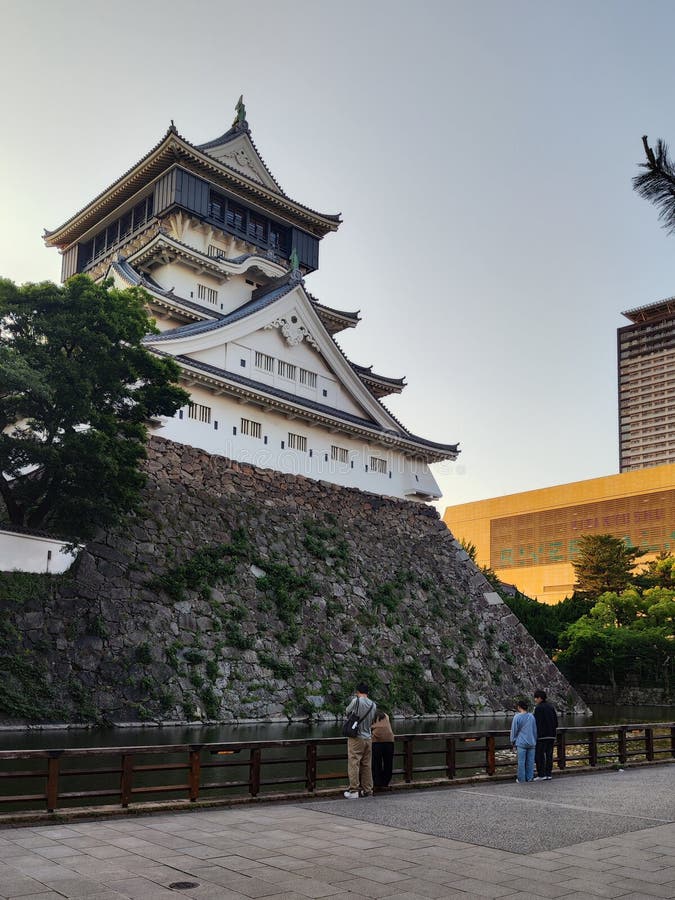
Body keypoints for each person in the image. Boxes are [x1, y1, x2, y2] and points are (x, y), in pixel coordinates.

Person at [343, 683, 377, 799]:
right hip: (368, 738)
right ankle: (368, 790)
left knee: (354, 763)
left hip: (356, 737)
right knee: (367, 765)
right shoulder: (373, 705)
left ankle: (354, 790)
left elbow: (347, 711)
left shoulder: (356, 701)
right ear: (367, 692)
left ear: (358, 691)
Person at [533, 689, 558, 780]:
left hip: (542, 736)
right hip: (552, 735)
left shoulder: (538, 708)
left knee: (539, 755)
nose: (535, 700)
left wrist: (536, 734)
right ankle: (548, 773)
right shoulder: (551, 707)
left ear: (540, 698)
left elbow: (537, 723)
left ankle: (541, 774)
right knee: (549, 755)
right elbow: (556, 722)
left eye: (536, 698)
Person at [510, 699, 537, 783]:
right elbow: (535, 730)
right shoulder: (531, 716)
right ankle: (530, 778)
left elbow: (514, 730)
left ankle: (521, 779)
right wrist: (534, 740)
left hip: (521, 742)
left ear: (519, 707)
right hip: (531, 742)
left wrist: (512, 740)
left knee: (521, 762)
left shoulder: (517, 717)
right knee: (530, 762)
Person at [371, 710, 395, 791]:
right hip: (389, 741)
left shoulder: (371, 716)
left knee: (376, 763)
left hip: (376, 742)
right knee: (388, 763)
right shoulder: (386, 715)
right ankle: (385, 782)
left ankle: (377, 782)